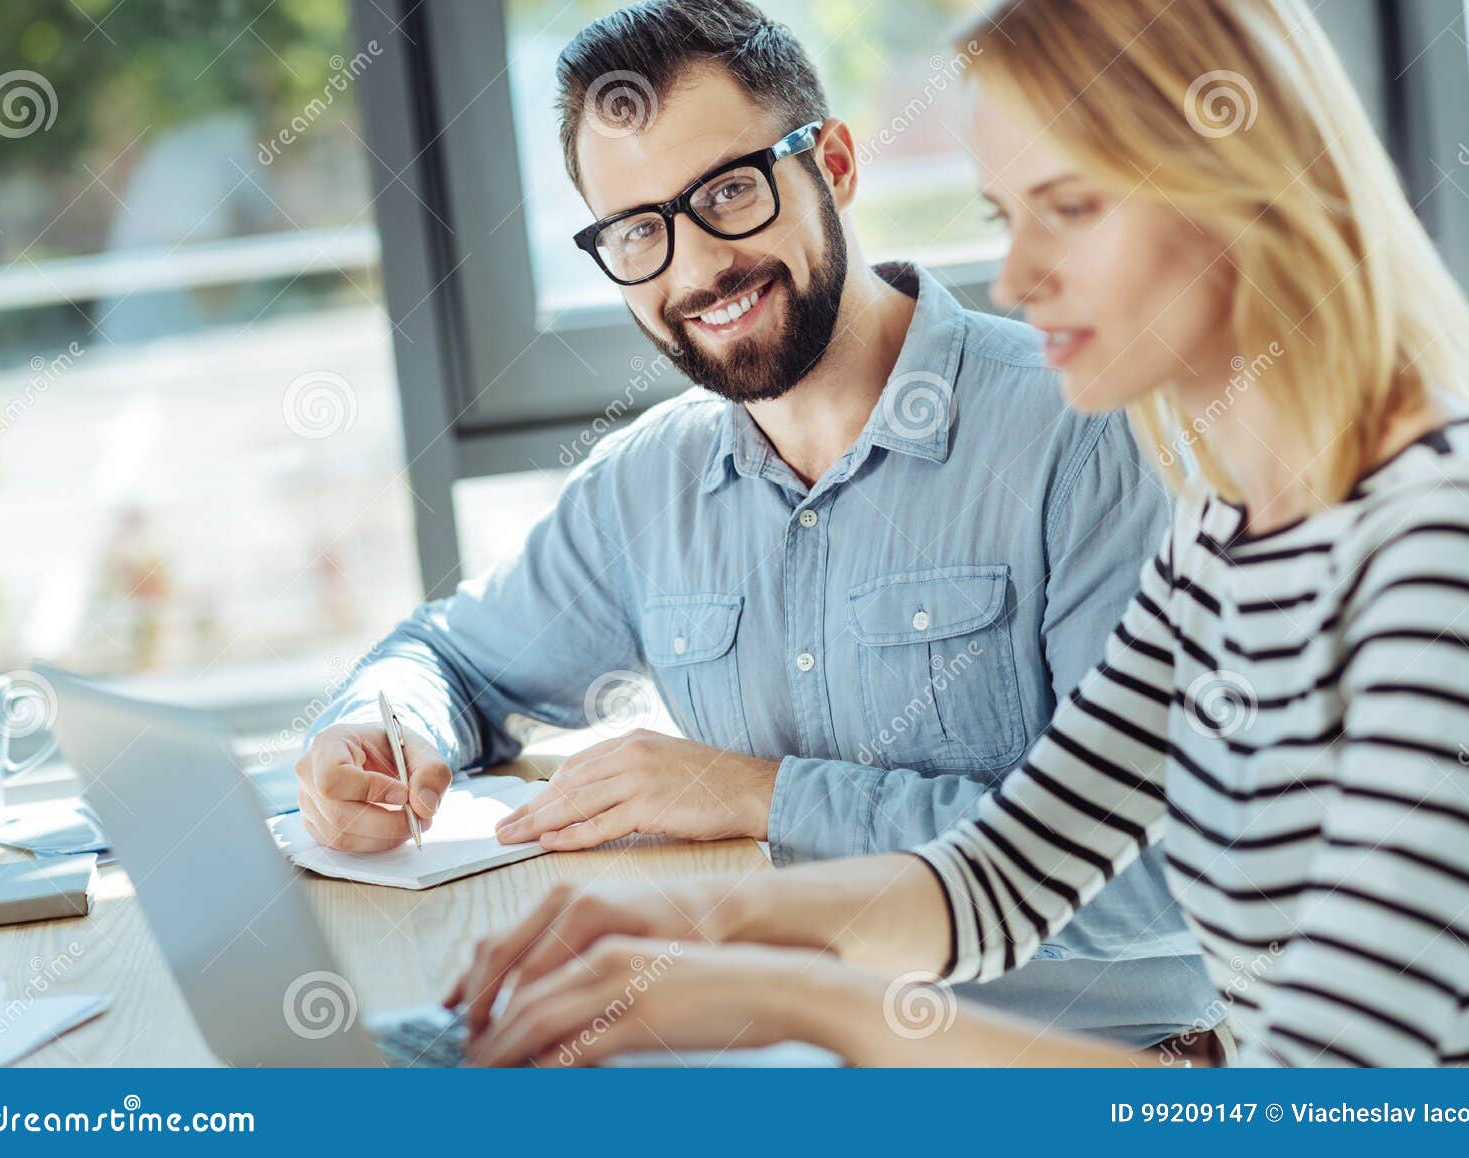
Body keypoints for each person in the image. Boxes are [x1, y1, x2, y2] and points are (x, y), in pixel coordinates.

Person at [447, 0, 1469, 1067]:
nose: (1020, 277)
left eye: (1068, 208)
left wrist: (782, 992)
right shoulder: (1227, 538)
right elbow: (999, 881)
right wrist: (684, 922)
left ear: (1234, 193)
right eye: (1004, 217)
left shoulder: (1453, 546)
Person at [296, 0, 1218, 1049]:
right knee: (410, 1064)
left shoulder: (1083, 434)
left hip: (1061, 1071)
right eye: (640, 230)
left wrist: (766, 798)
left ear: (830, 162)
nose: (694, 270)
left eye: (728, 191)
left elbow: (1164, 877)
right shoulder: (652, 483)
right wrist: (378, 731)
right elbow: (449, 657)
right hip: (787, 1052)